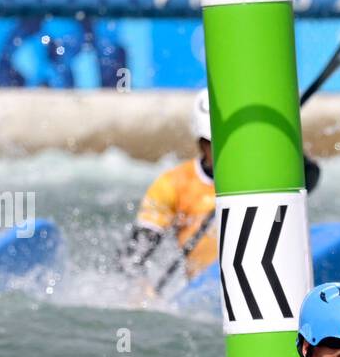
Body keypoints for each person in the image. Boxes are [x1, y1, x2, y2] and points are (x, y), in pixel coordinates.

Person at [119, 89, 321, 287]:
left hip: (260, 274)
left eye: (231, 141)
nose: (225, 149)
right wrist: (142, 290)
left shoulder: (262, 173)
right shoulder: (172, 185)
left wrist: (276, 140)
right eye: (215, 142)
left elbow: (310, 175)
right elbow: (135, 254)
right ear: (202, 143)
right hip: (203, 286)